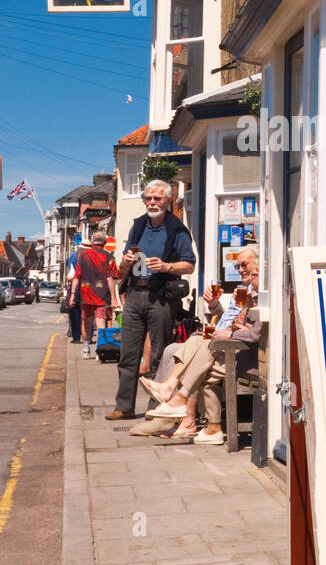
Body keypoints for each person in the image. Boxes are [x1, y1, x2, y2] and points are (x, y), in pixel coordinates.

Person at [140, 246, 260, 446]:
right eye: (237, 265)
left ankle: (181, 406)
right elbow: (229, 319)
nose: (240, 270)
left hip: (243, 353)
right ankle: (197, 417)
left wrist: (233, 331)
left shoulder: (260, 294)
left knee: (201, 352)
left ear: (258, 267)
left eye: (244, 265)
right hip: (229, 343)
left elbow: (251, 331)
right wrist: (214, 306)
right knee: (196, 343)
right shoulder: (243, 290)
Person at [106, 181, 195, 420]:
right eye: (149, 198)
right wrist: (125, 261)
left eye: (158, 198)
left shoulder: (177, 229)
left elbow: (190, 264)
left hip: (161, 296)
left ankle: (154, 408)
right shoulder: (138, 226)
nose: (152, 202)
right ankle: (124, 406)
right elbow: (123, 269)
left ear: (167, 201)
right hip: (135, 294)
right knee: (127, 353)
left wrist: (168, 266)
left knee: (159, 354)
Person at [70, 232, 119, 359]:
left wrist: (72, 295)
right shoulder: (109, 257)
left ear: (92, 241)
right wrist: (114, 298)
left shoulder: (82, 256)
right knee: (100, 321)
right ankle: (100, 349)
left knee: (86, 321)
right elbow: (110, 279)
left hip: (86, 294)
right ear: (105, 243)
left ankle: (86, 349)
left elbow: (77, 277)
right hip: (102, 295)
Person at [64, 249, 81, 343]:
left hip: (77, 289)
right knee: (88, 315)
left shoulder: (74, 257)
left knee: (75, 313)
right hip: (89, 289)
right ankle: (88, 338)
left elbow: (71, 276)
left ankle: (76, 336)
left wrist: (72, 294)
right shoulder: (93, 256)